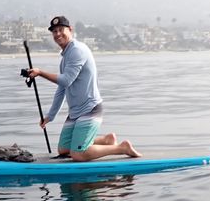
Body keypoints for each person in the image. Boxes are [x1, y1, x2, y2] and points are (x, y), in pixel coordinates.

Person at [26, 16, 142, 161]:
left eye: (61, 30)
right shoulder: (65, 57)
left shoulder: (77, 51)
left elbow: (66, 80)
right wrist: (50, 116)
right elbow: (62, 88)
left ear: (70, 30)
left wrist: (40, 73)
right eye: (54, 31)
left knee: (78, 154)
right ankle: (106, 140)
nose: (57, 34)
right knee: (64, 150)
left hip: (89, 109)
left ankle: (121, 148)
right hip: (75, 113)